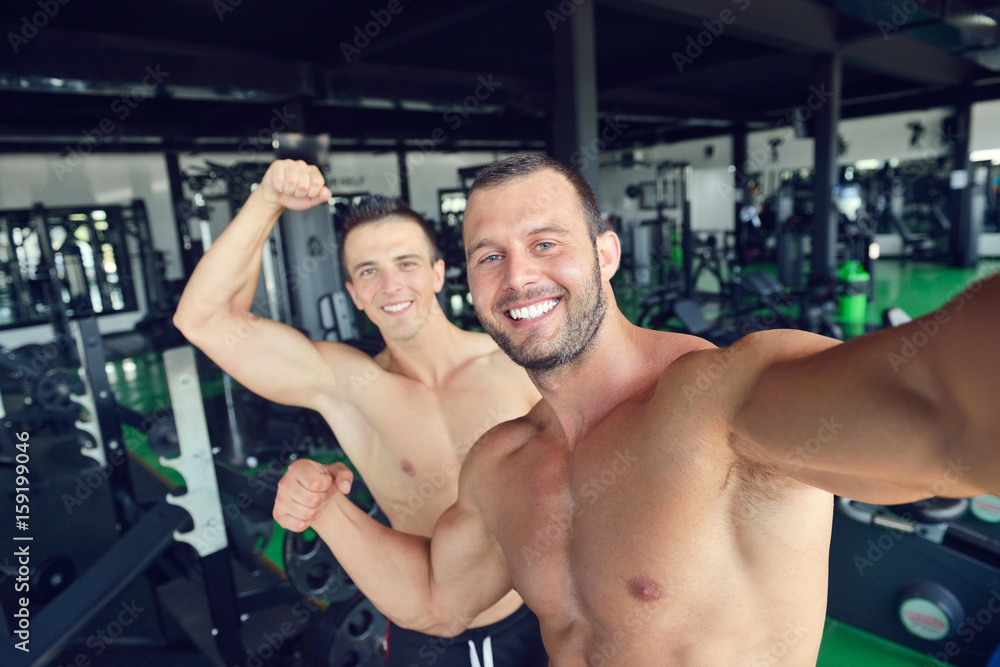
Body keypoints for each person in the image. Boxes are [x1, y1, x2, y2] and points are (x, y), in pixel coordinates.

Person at [276, 154, 999, 665]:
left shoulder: (723, 401)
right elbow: (438, 601)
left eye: (545, 242)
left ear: (606, 254)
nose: (519, 275)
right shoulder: (500, 464)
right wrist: (326, 510)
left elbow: (944, 410)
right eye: (489, 256)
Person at [173, 159, 548, 666]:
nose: (390, 285)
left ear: (438, 273)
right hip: (432, 635)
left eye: (406, 263)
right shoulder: (347, 385)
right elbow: (204, 318)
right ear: (353, 293)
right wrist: (267, 200)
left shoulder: (515, 361)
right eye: (369, 271)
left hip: (540, 614)